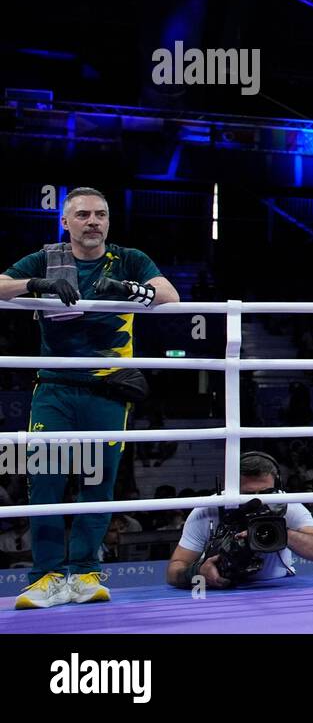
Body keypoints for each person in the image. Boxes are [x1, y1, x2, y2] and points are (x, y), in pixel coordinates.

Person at [1, 187, 180, 610]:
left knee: (96, 485)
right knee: (45, 481)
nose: (93, 221)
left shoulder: (129, 258)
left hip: (107, 388)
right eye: (82, 214)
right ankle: (44, 576)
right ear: (66, 222)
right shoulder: (46, 258)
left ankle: (84, 571)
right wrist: (34, 285)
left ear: (108, 221)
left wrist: (132, 291)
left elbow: (170, 295)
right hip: (54, 388)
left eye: (100, 214)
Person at [165, 452, 313, 590]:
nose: (257, 501)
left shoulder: (286, 505)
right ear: (228, 489)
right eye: (247, 494)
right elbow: (175, 569)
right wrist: (198, 572)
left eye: (265, 492)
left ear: (276, 485)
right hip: (222, 590)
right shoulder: (207, 510)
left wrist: (282, 533)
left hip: (277, 587)